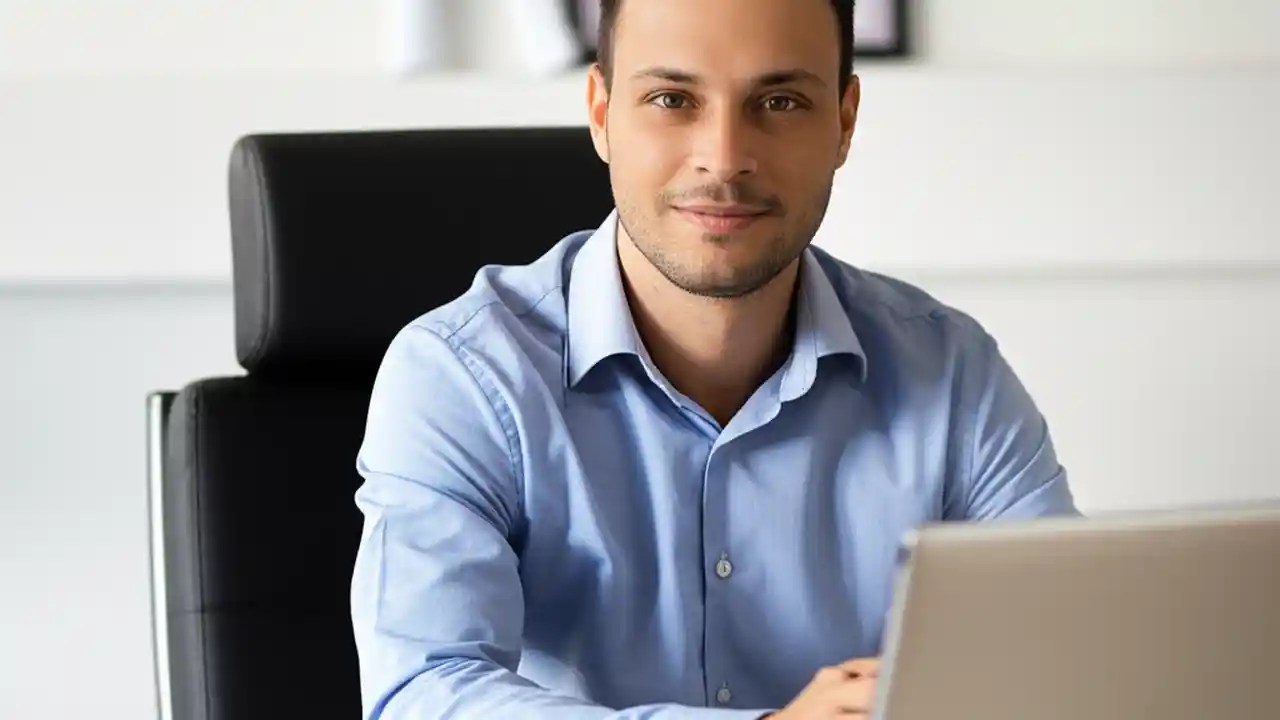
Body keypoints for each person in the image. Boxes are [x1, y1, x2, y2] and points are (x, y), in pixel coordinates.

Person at [349, 0, 1079, 717]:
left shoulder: (952, 373)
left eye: (782, 101)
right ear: (601, 113)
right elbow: (422, 692)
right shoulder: (462, 376)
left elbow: (1069, 654)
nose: (725, 159)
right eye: (672, 98)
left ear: (845, 123)